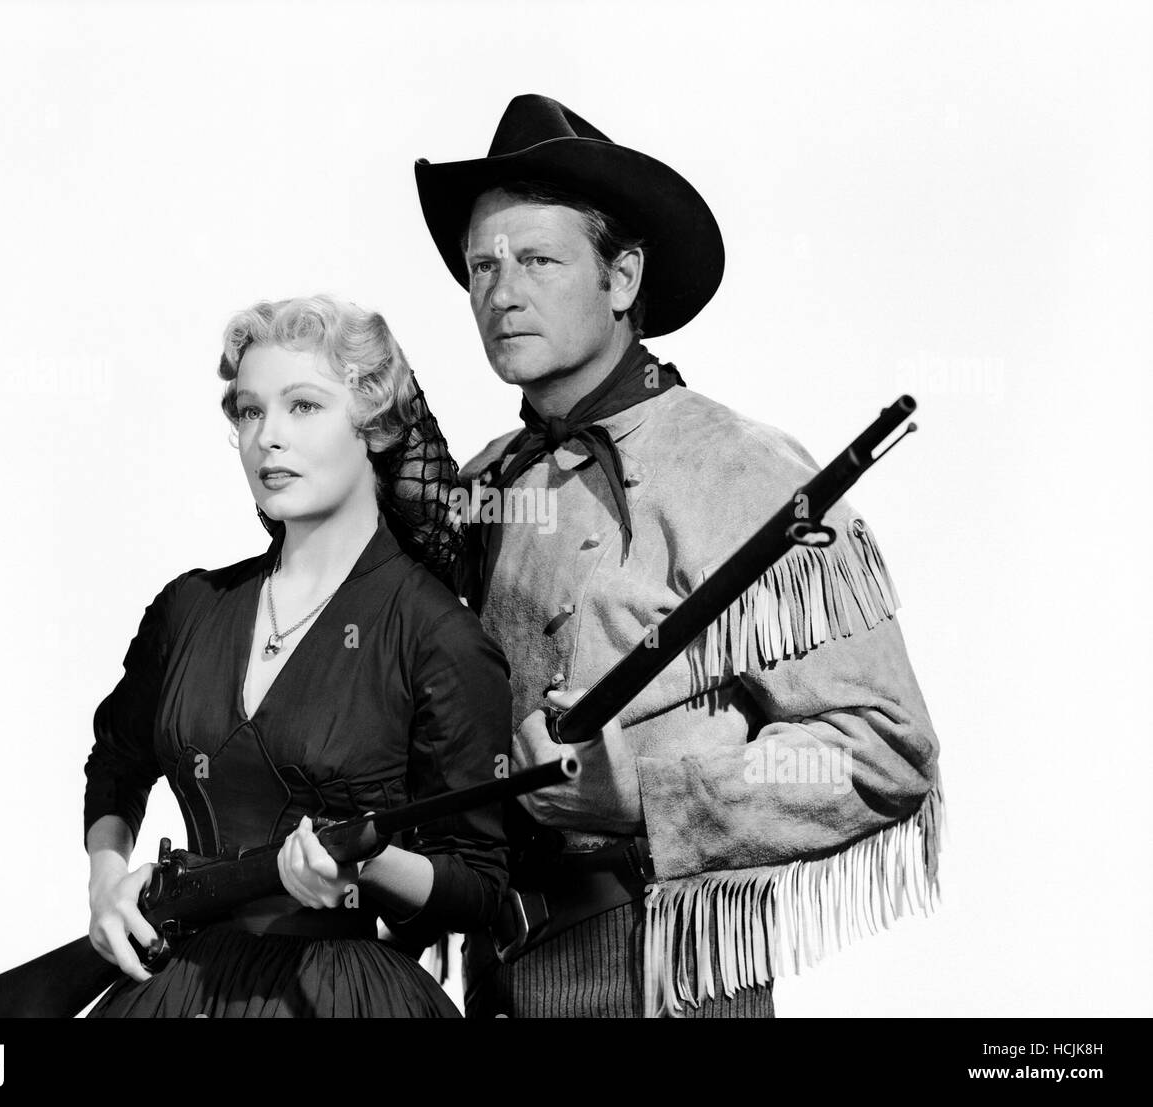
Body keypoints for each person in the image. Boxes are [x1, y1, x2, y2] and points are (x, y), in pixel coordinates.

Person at [414, 94, 945, 1018]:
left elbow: (884, 752)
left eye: (538, 259)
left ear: (621, 278)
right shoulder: (481, 483)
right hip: (496, 977)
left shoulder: (740, 469)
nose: (502, 291)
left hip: (661, 976)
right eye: (482, 267)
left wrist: (645, 795)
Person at [81, 294, 512, 1017]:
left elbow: (478, 882)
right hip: (170, 988)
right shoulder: (190, 608)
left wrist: (365, 859)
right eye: (250, 412)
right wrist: (106, 886)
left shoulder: (439, 637)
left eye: (303, 406)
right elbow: (116, 761)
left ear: (373, 424)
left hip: (340, 996)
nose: (267, 438)